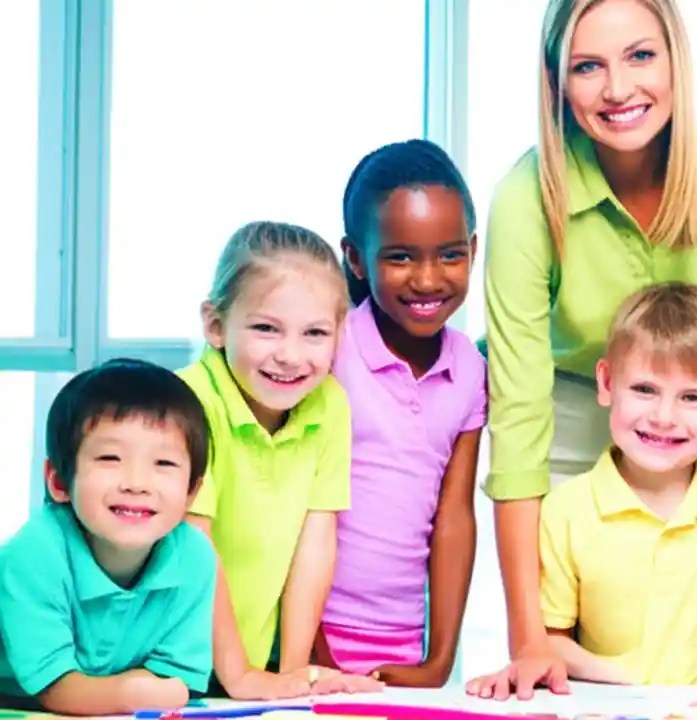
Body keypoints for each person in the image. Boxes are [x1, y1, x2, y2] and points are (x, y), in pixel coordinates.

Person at [472, 0, 697, 697]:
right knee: (569, 632)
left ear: (676, 58)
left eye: (640, 56)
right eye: (588, 66)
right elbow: (519, 414)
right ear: (558, 81)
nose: (618, 90)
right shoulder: (526, 197)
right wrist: (530, 641)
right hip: (567, 404)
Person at [490, 282, 697, 688]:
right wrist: (629, 683)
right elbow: (551, 641)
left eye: (692, 398)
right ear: (606, 382)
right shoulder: (567, 509)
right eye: (645, 389)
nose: (664, 417)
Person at [178, 221, 380, 699]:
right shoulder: (187, 401)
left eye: (314, 333)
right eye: (266, 329)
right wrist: (238, 675)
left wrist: (292, 672)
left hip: (248, 664)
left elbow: (315, 543)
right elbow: (193, 548)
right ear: (215, 325)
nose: (290, 356)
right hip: (162, 660)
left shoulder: (329, 405)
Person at [315, 139, 485, 688]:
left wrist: (439, 659)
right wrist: (307, 647)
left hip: (402, 646)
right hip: (307, 636)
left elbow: (454, 518)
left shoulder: (469, 370)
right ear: (356, 258)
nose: (429, 279)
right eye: (401, 256)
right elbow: (291, 501)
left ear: (473, 250)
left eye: (450, 254)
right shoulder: (329, 351)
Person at [0, 359, 215, 714]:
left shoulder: (193, 556)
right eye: (110, 457)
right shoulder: (35, 552)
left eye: (163, 463)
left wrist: (149, 691)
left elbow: (175, 677)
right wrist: (134, 693)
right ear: (58, 481)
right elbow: (55, 689)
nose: (136, 483)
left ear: (192, 491)